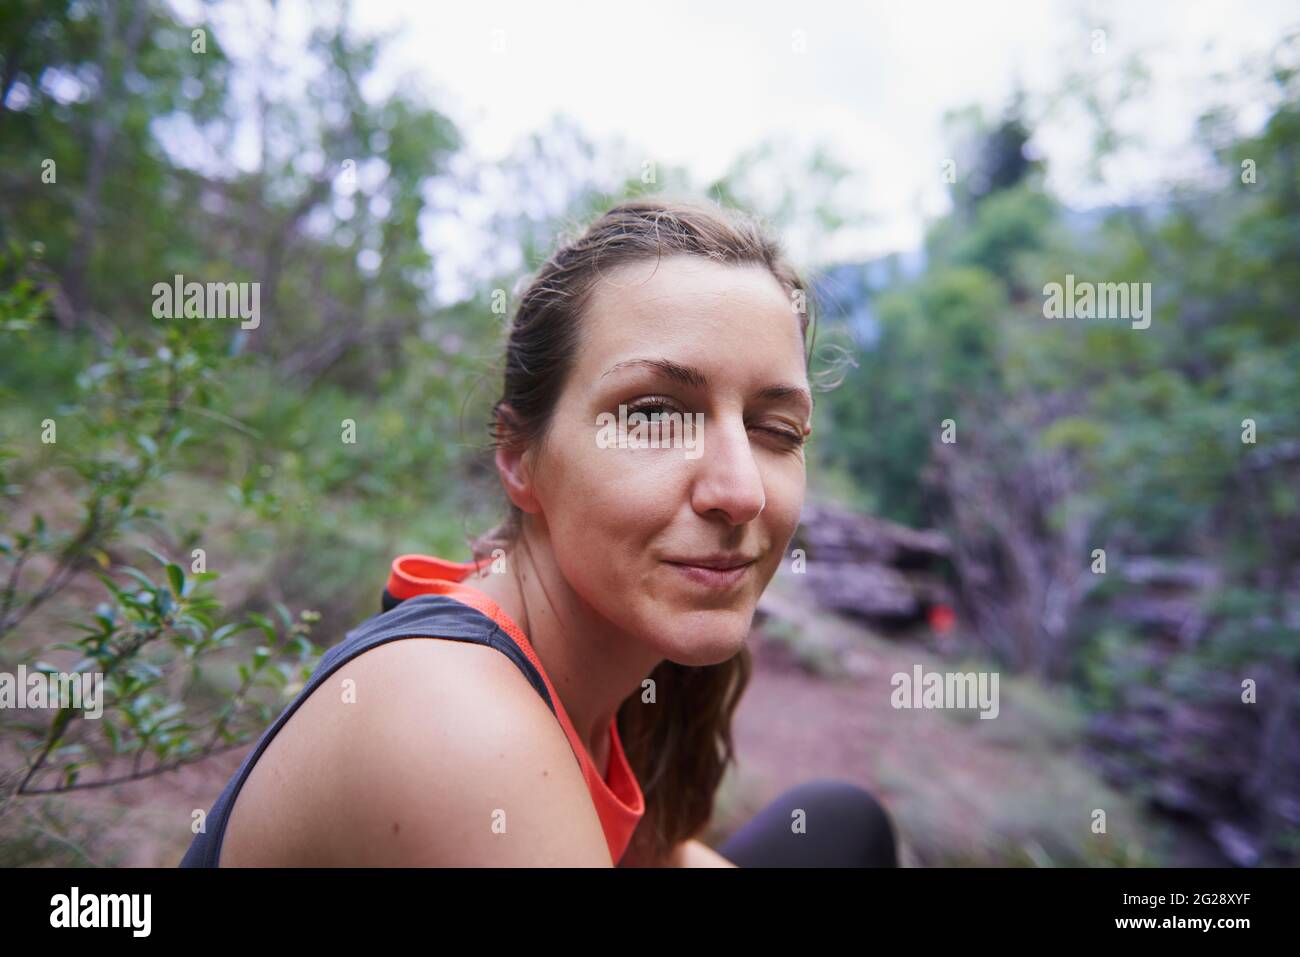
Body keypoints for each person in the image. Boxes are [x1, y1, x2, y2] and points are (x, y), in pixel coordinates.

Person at [180, 196, 898, 868]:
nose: (740, 491)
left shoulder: (608, 655)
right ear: (520, 458)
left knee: (837, 823)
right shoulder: (460, 720)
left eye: (775, 430)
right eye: (653, 415)